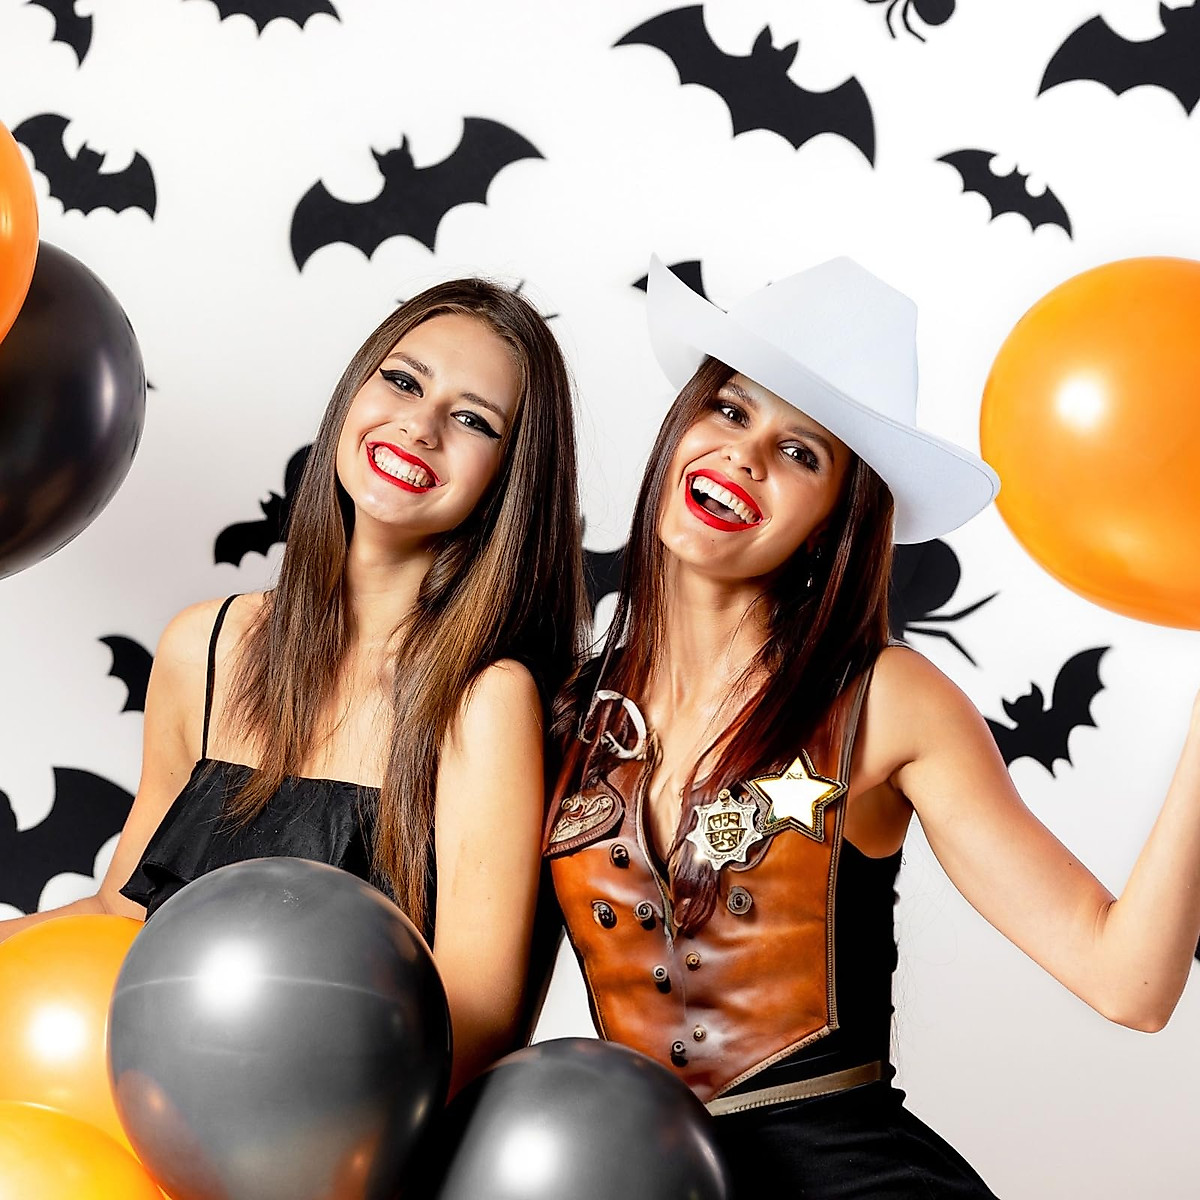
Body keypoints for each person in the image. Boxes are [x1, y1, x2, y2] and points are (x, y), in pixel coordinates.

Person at [545, 256, 1200, 1196]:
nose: (745, 457)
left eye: (801, 453)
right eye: (729, 410)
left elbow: (1128, 984)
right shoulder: (564, 714)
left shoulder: (889, 699)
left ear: (832, 520)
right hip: (649, 1180)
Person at [1, 279, 587, 1093]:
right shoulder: (206, 645)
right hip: (149, 1114)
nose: (420, 426)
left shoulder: (485, 702)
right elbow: (122, 916)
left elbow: (477, 1021)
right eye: (403, 381)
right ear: (353, 394)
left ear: (509, 478)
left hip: (345, 1137)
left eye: (473, 420)